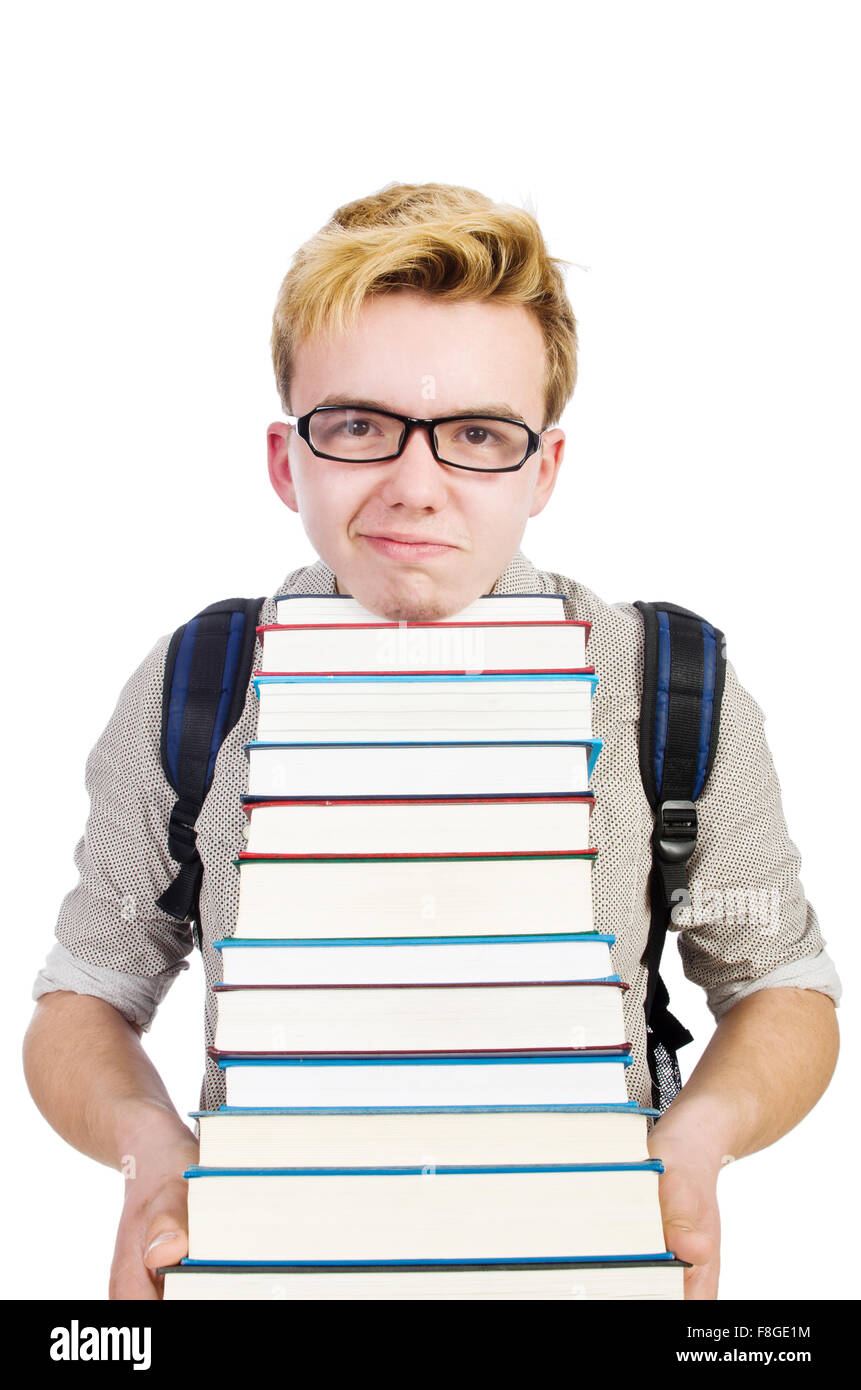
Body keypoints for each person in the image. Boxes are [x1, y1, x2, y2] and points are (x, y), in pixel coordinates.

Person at [23, 181, 841, 1301]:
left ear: (542, 467)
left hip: (592, 1268)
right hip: (266, 1269)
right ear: (286, 458)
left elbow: (782, 988)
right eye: (358, 425)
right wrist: (147, 1147)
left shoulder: (668, 684)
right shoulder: (196, 684)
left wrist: (695, 1142)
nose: (416, 487)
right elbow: (86, 999)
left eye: (474, 435)